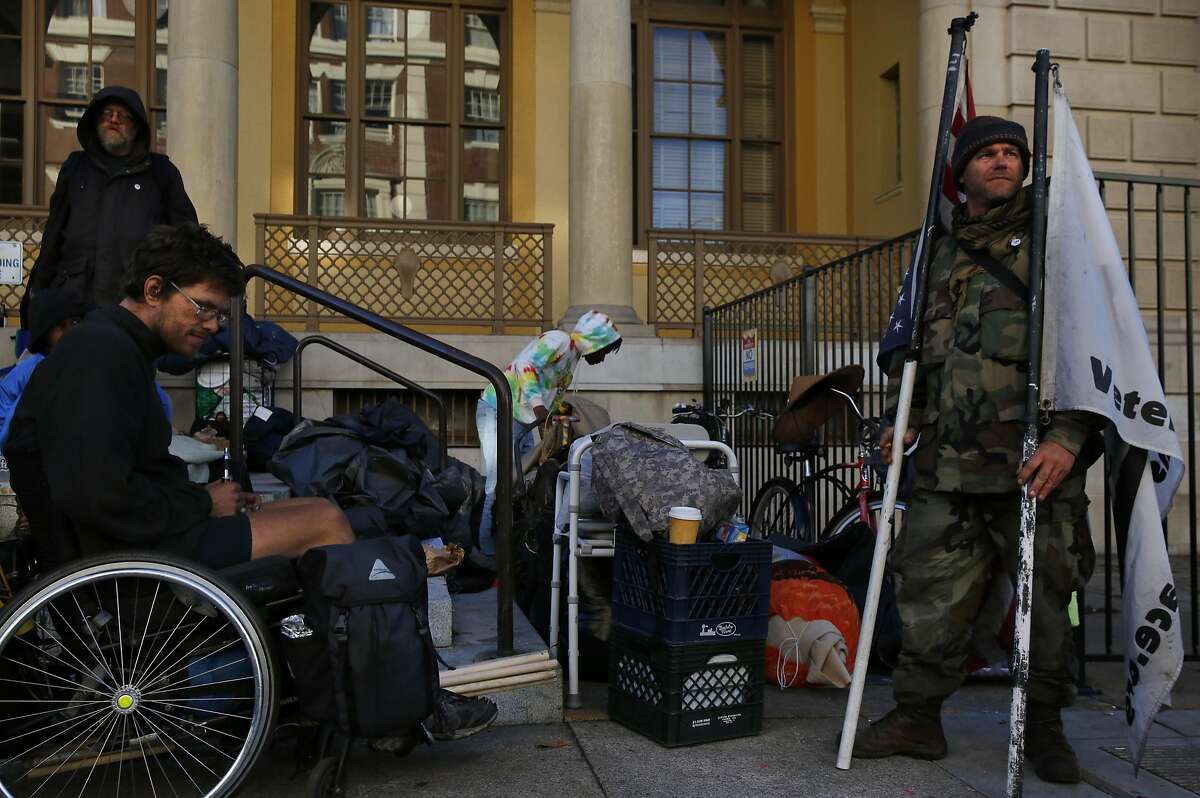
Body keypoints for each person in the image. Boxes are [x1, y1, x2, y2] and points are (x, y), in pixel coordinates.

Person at [854, 117, 1101, 784]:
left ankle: (1044, 728)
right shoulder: (937, 254)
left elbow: (1095, 352)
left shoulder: (1055, 244)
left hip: (1034, 469)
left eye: (1010, 153)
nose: (999, 162)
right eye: (986, 154)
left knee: (1045, 608)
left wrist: (1068, 439)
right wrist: (902, 418)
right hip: (947, 467)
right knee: (931, 601)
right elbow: (923, 358)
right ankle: (917, 719)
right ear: (960, 172)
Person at [21, 86, 197, 327]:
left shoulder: (160, 173)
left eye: (123, 116)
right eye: (107, 113)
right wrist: (37, 293)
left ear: (137, 127)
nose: (114, 120)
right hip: (74, 302)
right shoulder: (75, 168)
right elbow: (53, 236)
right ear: (95, 121)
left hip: (133, 304)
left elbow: (186, 239)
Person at [475, 311, 622, 558]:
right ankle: (485, 550)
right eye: (605, 350)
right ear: (595, 341)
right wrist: (539, 406)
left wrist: (553, 415)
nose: (604, 357)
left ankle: (506, 546)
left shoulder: (572, 357)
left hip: (521, 418)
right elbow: (525, 365)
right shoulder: (559, 340)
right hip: (498, 409)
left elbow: (549, 389)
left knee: (517, 482)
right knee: (499, 480)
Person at [0, 289, 90, 449]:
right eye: (61, 327)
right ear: (46, 333)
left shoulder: (83, 360)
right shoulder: (37, 369)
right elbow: (12, 425)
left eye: (75, 322)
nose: (71, 331)